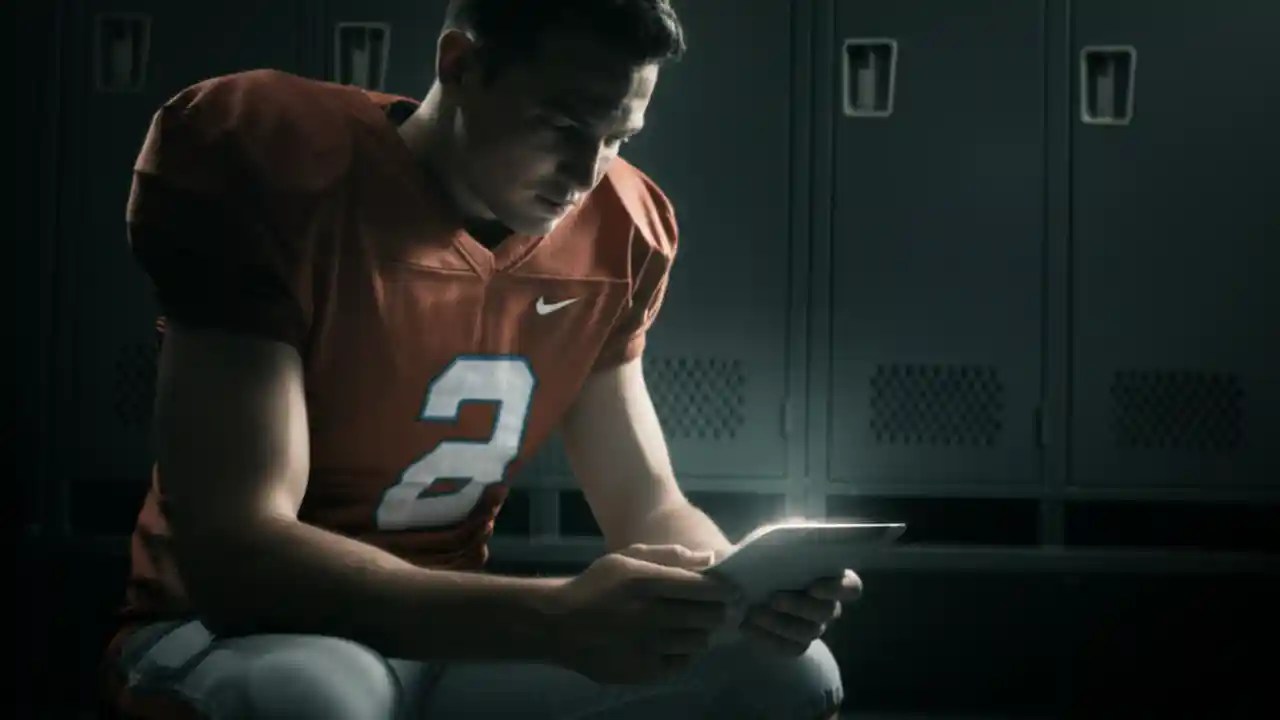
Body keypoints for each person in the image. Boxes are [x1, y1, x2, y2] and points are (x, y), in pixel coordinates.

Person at [98, 1, 860, 718]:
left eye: (618, 137)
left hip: (458, 631)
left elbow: (647, 503)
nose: (586, 172)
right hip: (242, 632)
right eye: (562, 125)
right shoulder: (275, 162)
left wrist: (738, 589)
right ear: (459, 64)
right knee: (310, 697)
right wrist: (552, 617)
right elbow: (240, 558)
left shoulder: (623, 226)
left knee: (786, 672)